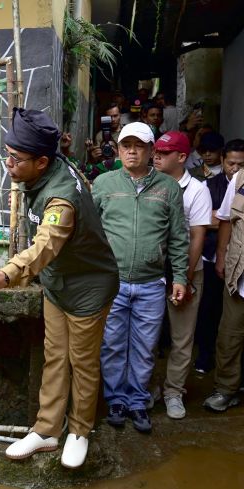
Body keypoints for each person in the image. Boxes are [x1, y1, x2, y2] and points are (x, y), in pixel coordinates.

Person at [0, 108, 119, 468]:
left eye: (15, 158)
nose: (7, 164)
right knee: (55, 356)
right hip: (57, 282)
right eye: (7, 154)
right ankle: (46, 430)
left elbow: (46, 242)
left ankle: (78, 431)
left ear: (42, 161)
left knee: (83, 362)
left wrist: (5, 275)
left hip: (89, 287)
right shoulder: (48, 170)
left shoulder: (60, 197)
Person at [92, 122, 189, 433]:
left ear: (151, 151)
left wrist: (180, 278)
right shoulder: (104, 184)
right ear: (119, 150)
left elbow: (178, 237)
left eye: (139, 146)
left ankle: (137, 401)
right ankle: (116, 400)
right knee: (113, 344)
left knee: (145, 346)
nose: (132, 151)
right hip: (113, 281)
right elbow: (90, 233)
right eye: (126, 145)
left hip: (151, 282)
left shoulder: (168, 188)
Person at [152, 131, 212, 419]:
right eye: (157, 152)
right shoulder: (149, 184)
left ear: (182, 157)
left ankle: (174, 391)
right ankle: (148, 388)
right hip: (151, 273)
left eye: (164, 153)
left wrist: (184, 278)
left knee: (181, 337)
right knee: (147, 335)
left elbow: (197, 235)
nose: (157, 157)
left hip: (187, 272)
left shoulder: (197, 190)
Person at [195, 139, 244, 374]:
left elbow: (219, 218)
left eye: (240, 164)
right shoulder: (208, 185)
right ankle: (205, 356)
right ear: (223, 161)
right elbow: (203, 219)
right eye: (231, 163)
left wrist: (221, 218)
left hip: (238, 262)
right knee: (209, 310)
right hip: (212, 258)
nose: (235, 169)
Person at [203, 167, 244, 412]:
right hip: (240, 275)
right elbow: (226, 219)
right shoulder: (240, 179)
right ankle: (227, 390)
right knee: (230, 335)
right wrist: (221, 256)